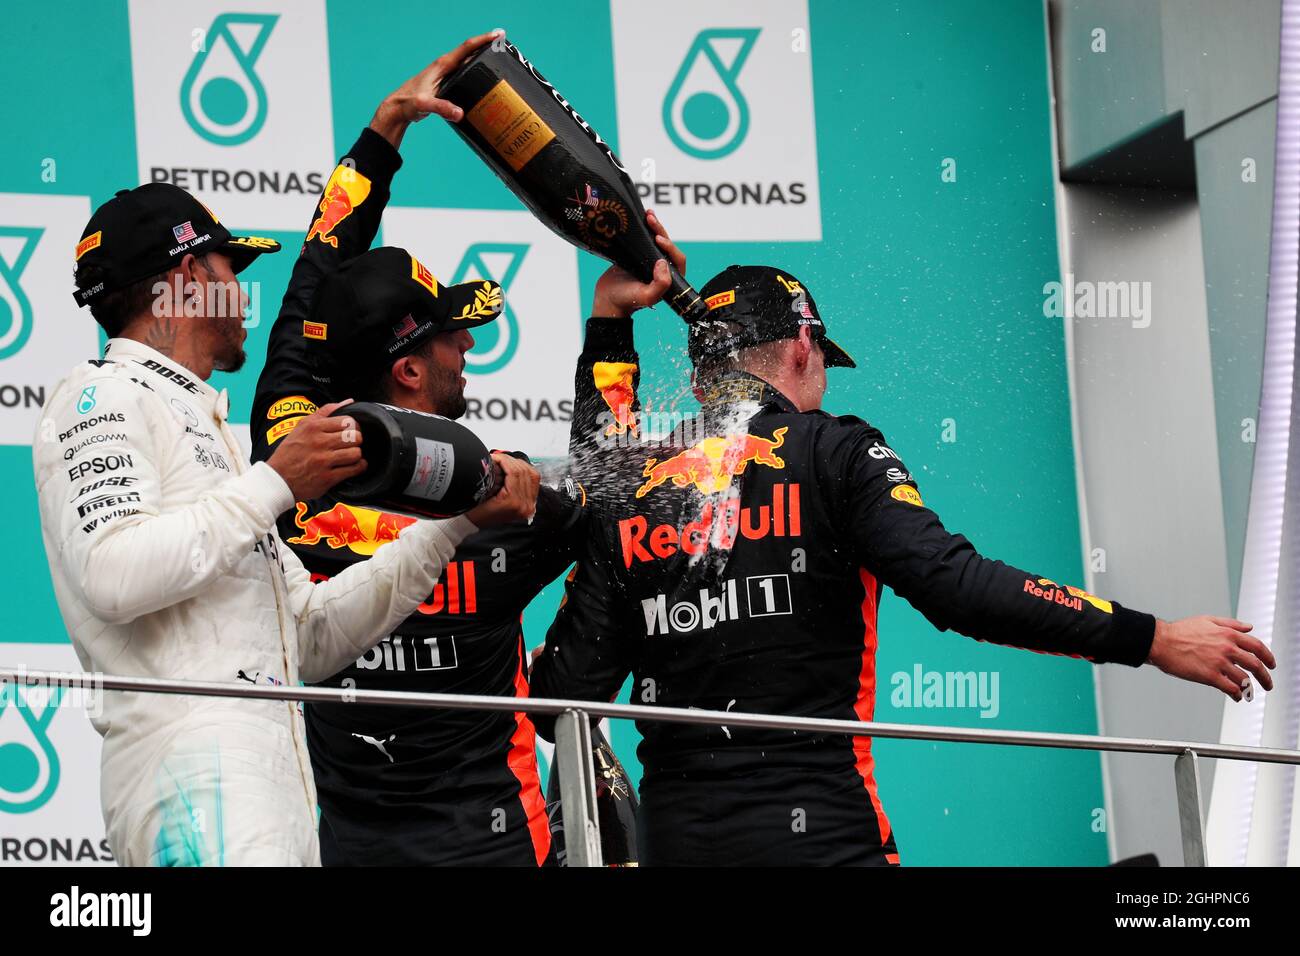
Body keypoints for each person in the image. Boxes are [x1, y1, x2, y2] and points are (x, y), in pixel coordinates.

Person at [531, 252, 1278, 866]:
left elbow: (564, 684)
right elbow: (957, 587)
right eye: (822, 360)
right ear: (802, 347)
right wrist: (1152, 637)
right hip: (826, 841)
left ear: (698, 380)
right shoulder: (835, 450)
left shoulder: (637, 487)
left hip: (679, 848)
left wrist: (609, 325)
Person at [34, 176, 537, 867]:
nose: (242, 295)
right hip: (193, 771)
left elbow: (311, 635)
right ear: (187, 277)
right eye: (231, 270)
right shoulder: (99, 399)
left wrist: (451, 528)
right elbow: (112, 576)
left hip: (265, 774)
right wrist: (275, 482)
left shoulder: (199, 425)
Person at [247, 30, 643, 866]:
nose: (468, 350)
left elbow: (312, 291)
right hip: (496, 846)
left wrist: (379, 137)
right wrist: (610, 323)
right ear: (410, 369)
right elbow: (618, 498)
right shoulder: (499, 498)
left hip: (351, 851)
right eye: (453, 338)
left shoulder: (290, 461)